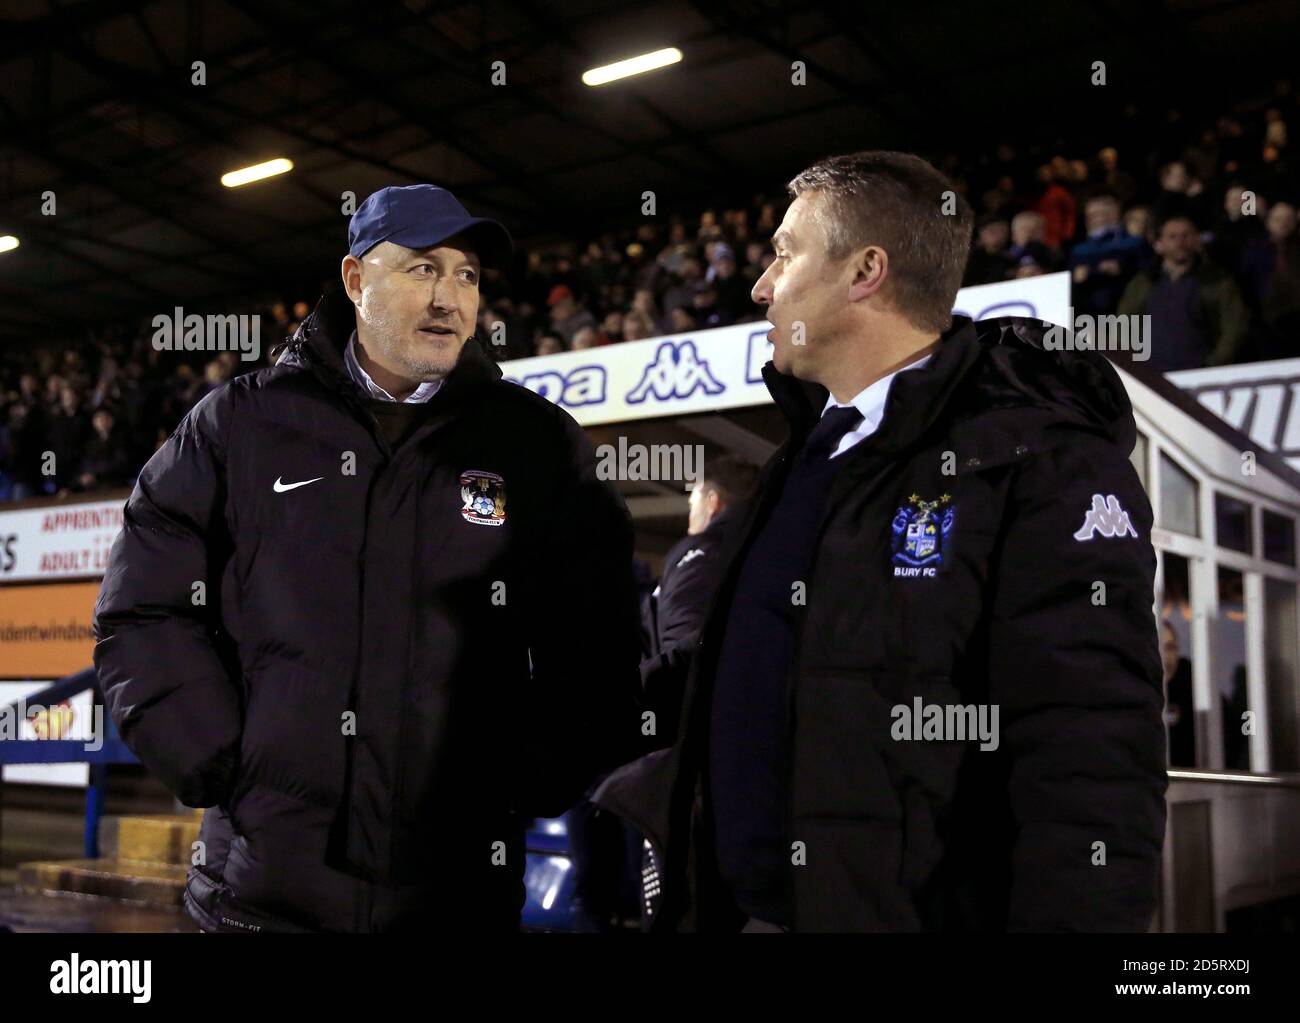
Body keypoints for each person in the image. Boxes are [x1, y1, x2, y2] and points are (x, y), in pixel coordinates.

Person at [595, 150, 1167, 933]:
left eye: (785, 255)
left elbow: (1090, 767)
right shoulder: (809, 456)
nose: (762, 286)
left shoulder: (1037, 458)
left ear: (865, 271)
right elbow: (775, 670)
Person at [93, 184, 643, 933]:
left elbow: (600, 637)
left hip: (456, 899)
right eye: (423, 269)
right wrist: (223, 761)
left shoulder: (537, 445)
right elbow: (145, 606)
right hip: (263, 891)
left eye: (467, 275)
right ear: (356, 280)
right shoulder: (239, 424)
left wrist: (528, 778)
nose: (449, 297)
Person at [642, 456, 757, 747]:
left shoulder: (700, 555)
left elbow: (690, 644)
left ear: (713, 502)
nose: (690, 513)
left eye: (693, 502)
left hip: (683, 736)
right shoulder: (758, 553)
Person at [1117, 215, 1249, 372]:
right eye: (1172, 237)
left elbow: (1234, 326)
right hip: (1152, 378)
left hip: (1201, 375)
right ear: (1159, 244)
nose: (1180, 242)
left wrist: (1214, 364)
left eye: (1186, 235)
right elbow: (1124, 326)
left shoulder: (1218, 280)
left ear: (1197, 240)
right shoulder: (1143, 282)